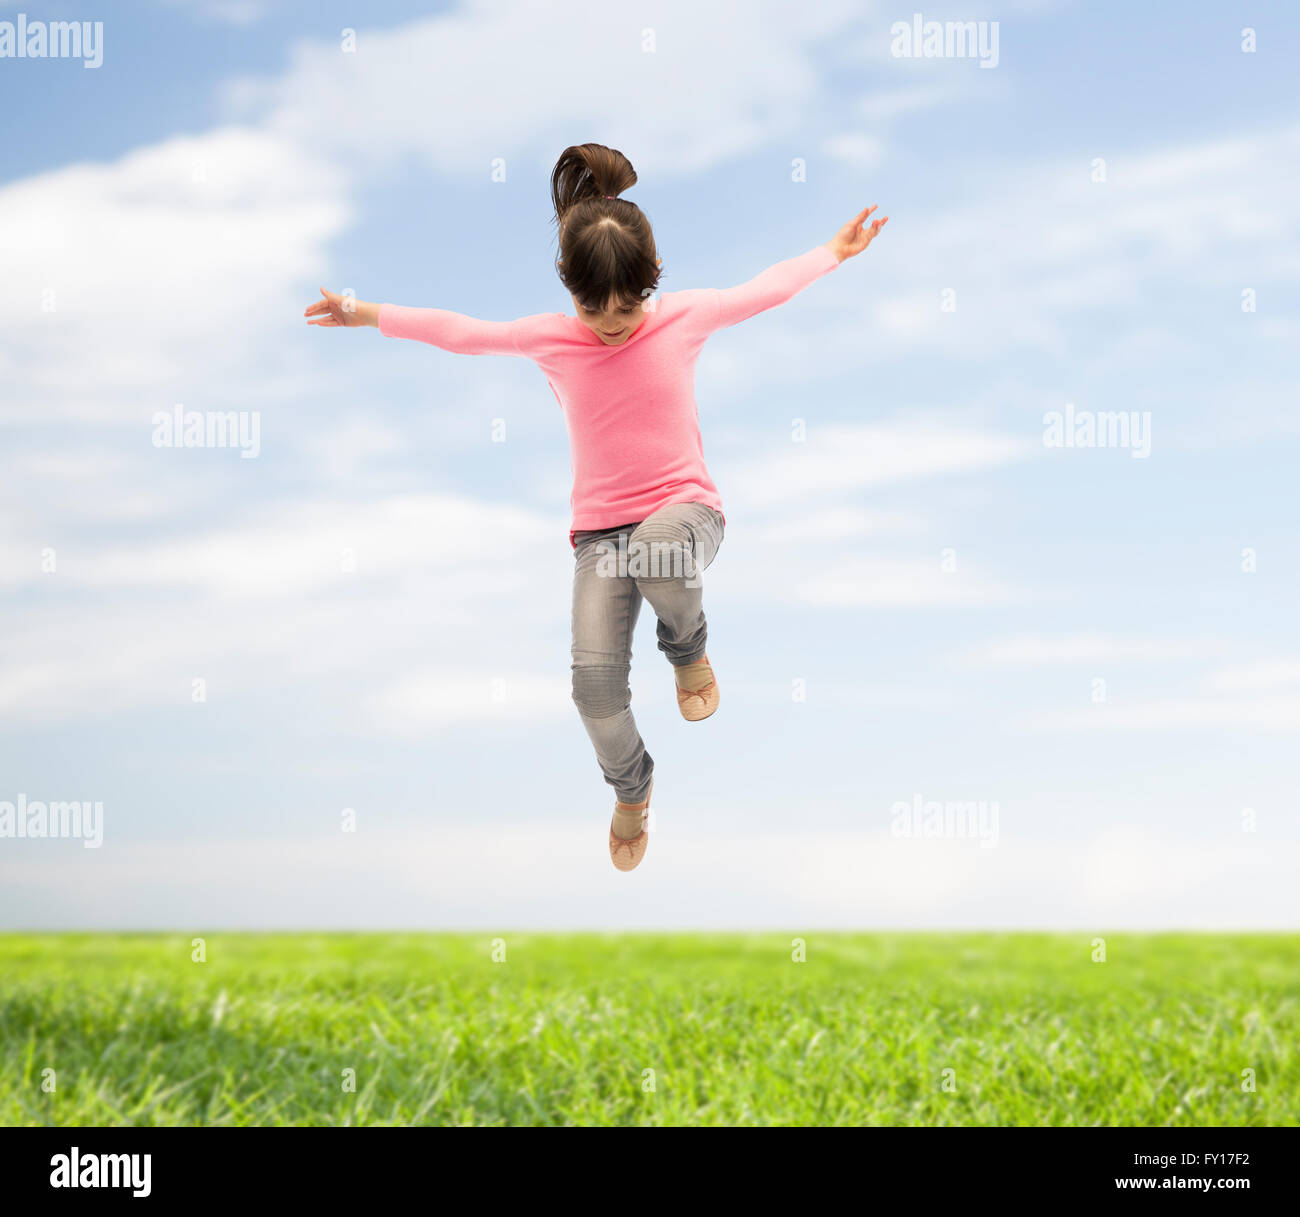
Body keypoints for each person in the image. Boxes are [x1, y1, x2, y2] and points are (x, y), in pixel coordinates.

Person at [305, 142, 888, 872]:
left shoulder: (685, 318)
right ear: (567, 287)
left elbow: (764, 288)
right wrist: (362, 312)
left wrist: (833, 251)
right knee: (593, 688)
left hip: (685, 511)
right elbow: (460, 332)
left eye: (628, 303)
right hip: (600, 540)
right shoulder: (549, 340)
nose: (612, 321)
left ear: (654, 281)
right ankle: (633, 789)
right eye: (593, 306)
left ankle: (690, 651)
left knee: (659, 548)